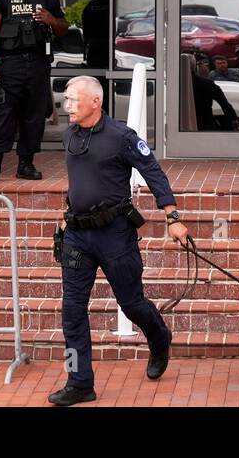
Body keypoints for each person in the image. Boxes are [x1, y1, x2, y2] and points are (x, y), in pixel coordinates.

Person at [49, 75, 189, 406]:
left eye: (73, 99)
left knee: (131, 303)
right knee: (71, 309)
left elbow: (153, 171)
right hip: (78, 235)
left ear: (95, 102)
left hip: (114, 235)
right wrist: (68, 209)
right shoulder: (70, 134)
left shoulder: (121, 136)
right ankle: (79, 381)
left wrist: (172, 217)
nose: (67, 105)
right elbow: (80, 180)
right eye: (66, 99)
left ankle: (158, 337)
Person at [0, 0, 68, 182]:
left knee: (34, 116)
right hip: (9, 64)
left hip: (38, 64)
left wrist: (51, 19)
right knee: (2, 114)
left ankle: (26, 165)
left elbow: (63, 28)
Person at [192, 51, 239, 131]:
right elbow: (226, 106)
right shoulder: (209, 81)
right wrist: (235, 124)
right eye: (219, 63)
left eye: (223, 62)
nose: (222, 65)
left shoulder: (234, 73)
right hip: (205, 124)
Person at [82, 0, 111, 69]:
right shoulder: (118, 5)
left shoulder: (92, 5)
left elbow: (85, 29)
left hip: (95, 47)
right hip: (106, 47)